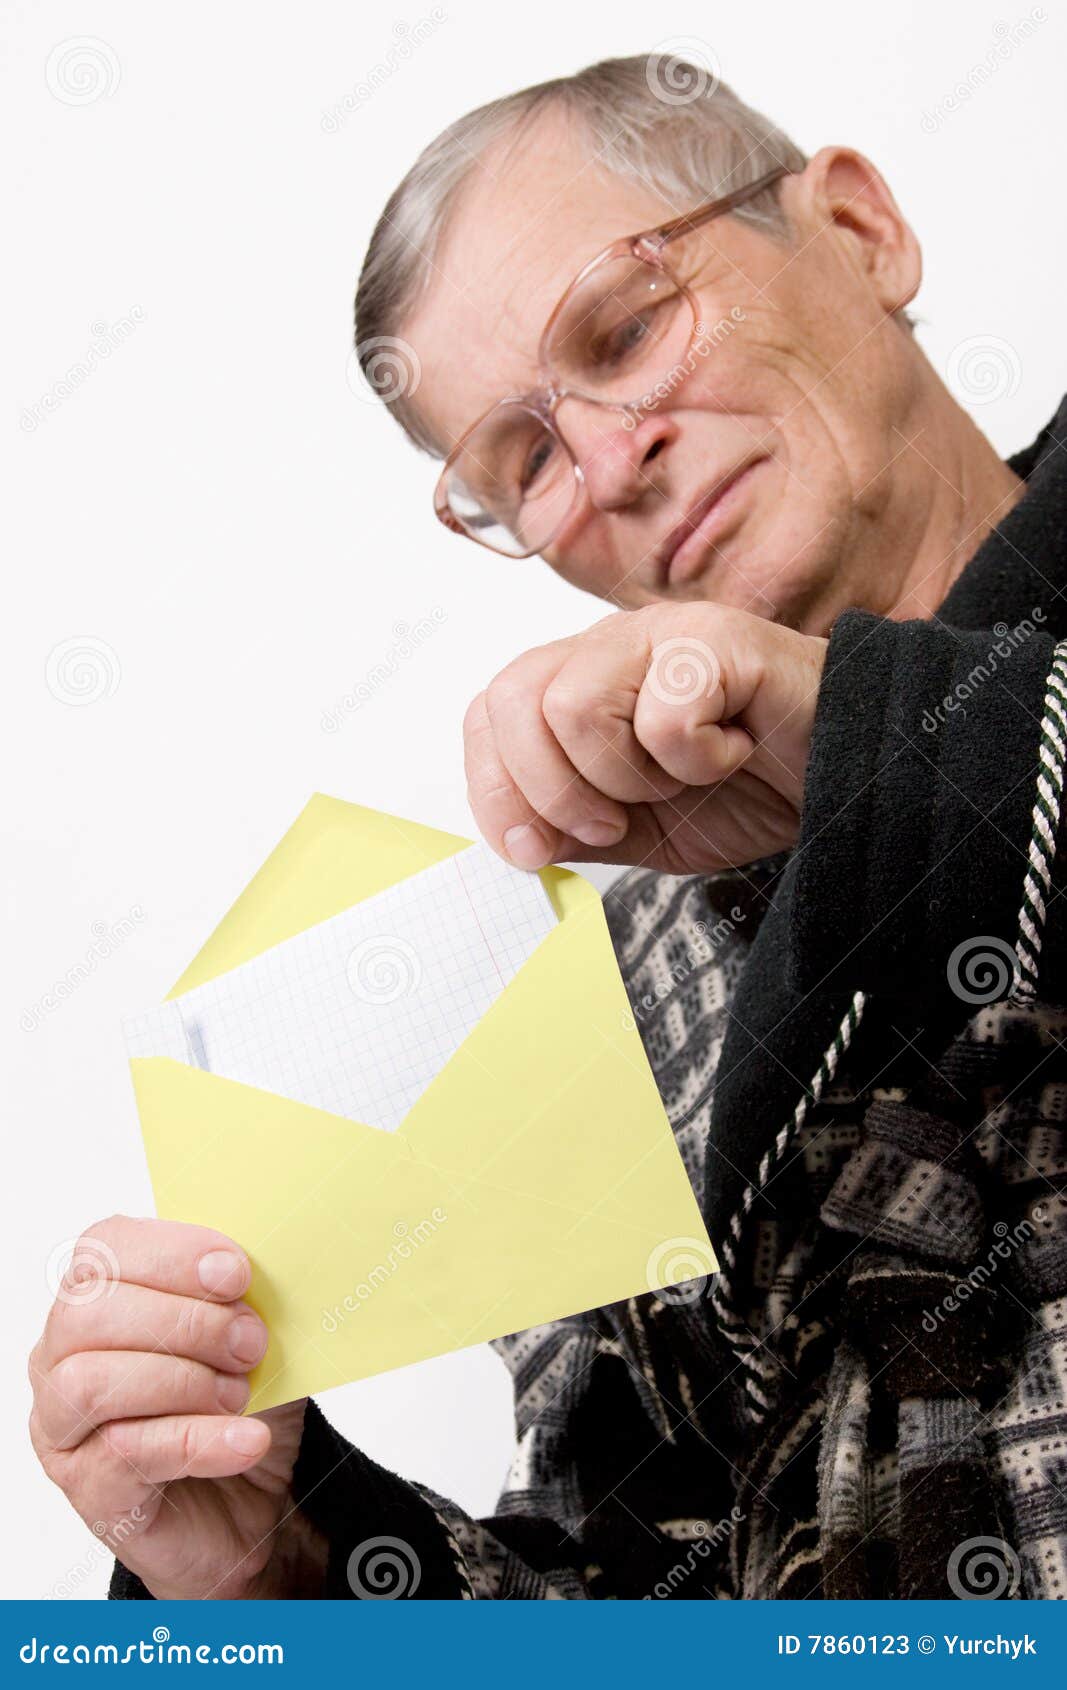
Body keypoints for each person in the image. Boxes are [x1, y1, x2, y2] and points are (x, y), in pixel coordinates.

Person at [30, 54, 1067, 1600]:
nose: (605, 460)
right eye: (522, 460)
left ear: (858, 229)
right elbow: (647, 1586)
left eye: (627, 328)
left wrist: (888, 751)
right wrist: (294, 1552)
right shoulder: (599, 972)